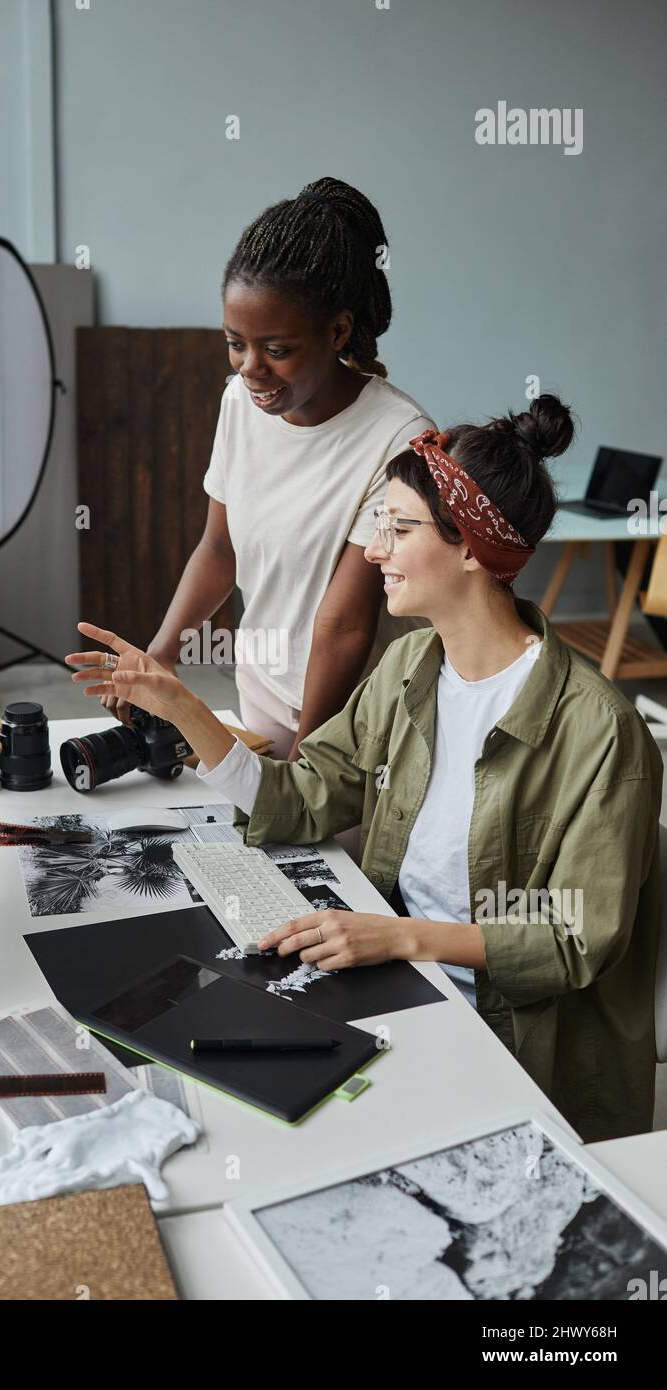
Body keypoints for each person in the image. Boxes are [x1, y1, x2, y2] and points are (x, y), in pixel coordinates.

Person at [65, 395, 662, 1144]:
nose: (376, 549)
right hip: (400, 976)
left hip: (513, 1032)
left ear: (473, 549)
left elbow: (574, 936)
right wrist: (184, 707)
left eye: (399, 527)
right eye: (381, 523)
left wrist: (403, 937)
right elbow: (303, 795)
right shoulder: (411, 664)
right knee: (186, 1064)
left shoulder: (599, 731)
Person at [100, 176, 434, 759]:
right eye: (236, 343)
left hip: (351, 714)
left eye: (277, 350)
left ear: (337, 331)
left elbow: (344, 624)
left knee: (327, 850)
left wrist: (309, 764)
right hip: (260, 687)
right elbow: (220, 549)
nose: (251, 369)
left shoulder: (398, 439)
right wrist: (160, 657)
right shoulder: (241, 403)